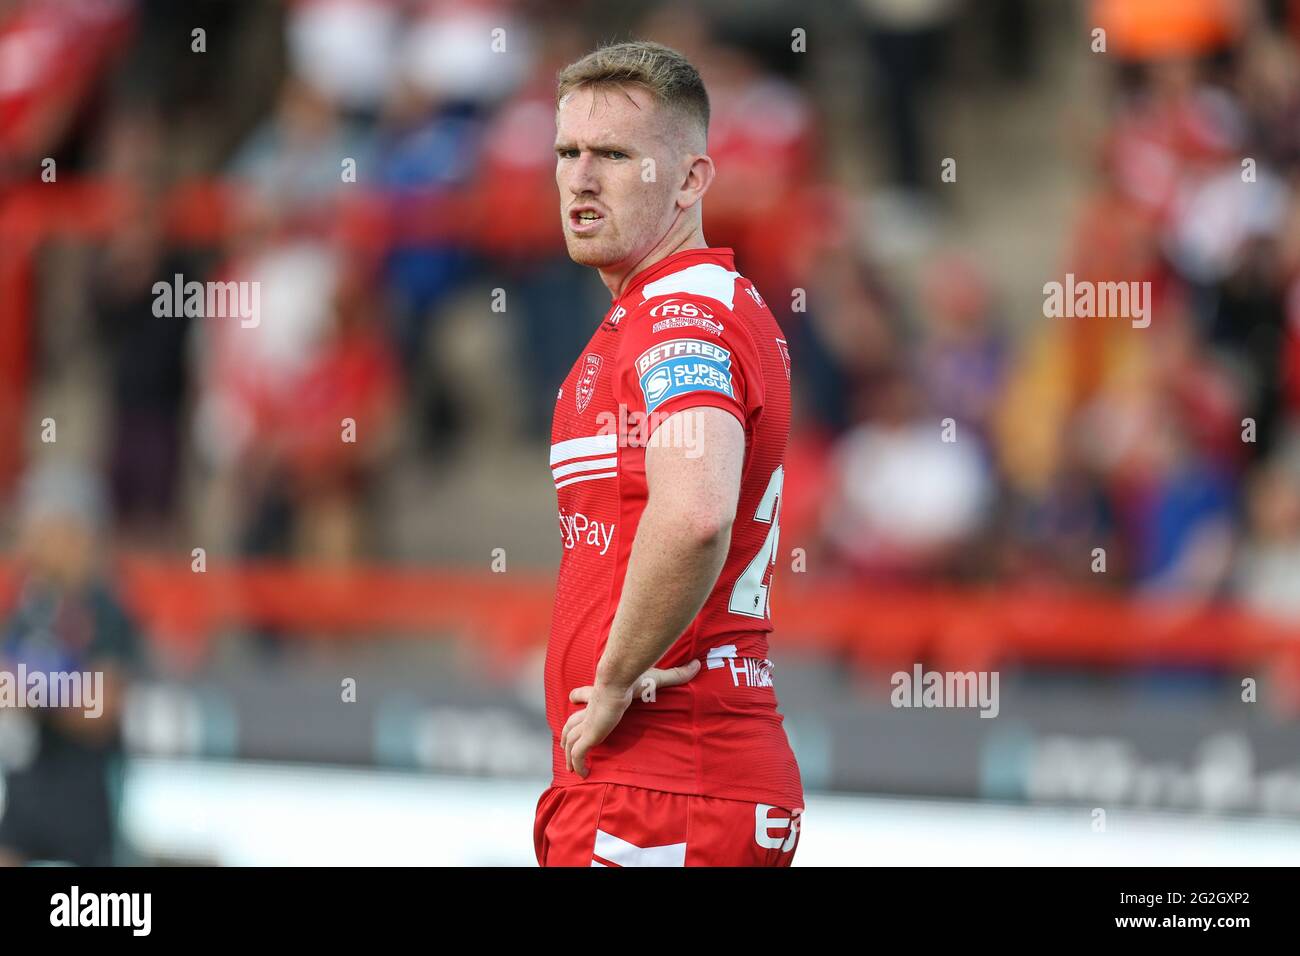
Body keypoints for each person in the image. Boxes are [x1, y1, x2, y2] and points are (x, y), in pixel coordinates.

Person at [533, 41, 803, 867]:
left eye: (614, 154)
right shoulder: (672, 308)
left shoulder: (681, 315)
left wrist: (613, 679)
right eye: (567, 152)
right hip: (671, 784)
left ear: (689, 181)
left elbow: (692, 513)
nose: (581, 178)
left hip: (663, 786)